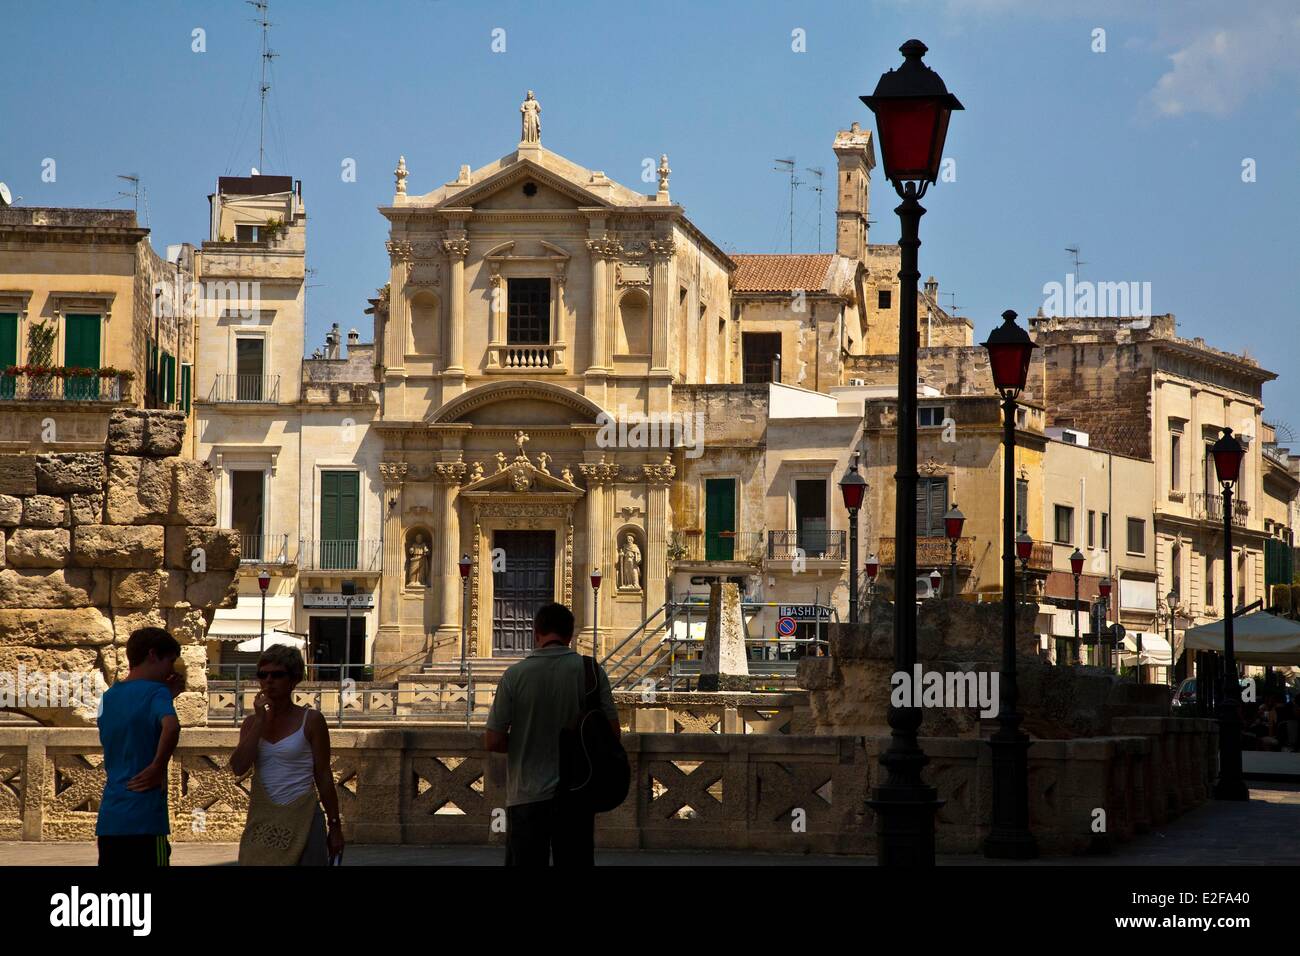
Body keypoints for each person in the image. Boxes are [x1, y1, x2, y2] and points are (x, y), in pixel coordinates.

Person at [484, 602, 619, 866]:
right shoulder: (591, 672)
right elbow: (612, 734)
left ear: (536, 633)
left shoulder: (514, 675)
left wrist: (527, 741)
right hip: (577, 794)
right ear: (570, 635)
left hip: (526, 795)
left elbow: (493, 740)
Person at [230, 644, 344, 865]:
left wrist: (335, 826)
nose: (269, 681)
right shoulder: (252, 723)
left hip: (304, 814)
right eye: (263, 675)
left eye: (277, 675)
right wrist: (260, 721)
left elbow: (323, 775)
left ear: (293, 680)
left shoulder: (311, 720)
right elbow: (238, 767)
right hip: (263, 816)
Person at [96, 626, 184, 867]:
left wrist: (168, 695)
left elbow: (132, 727)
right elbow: (171, 726)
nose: (172, 669)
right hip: (145, 817)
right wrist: (158, 766)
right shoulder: (156, 692)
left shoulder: (109, 696)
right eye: (171, 660)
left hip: (111, 819)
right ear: (153, 655)